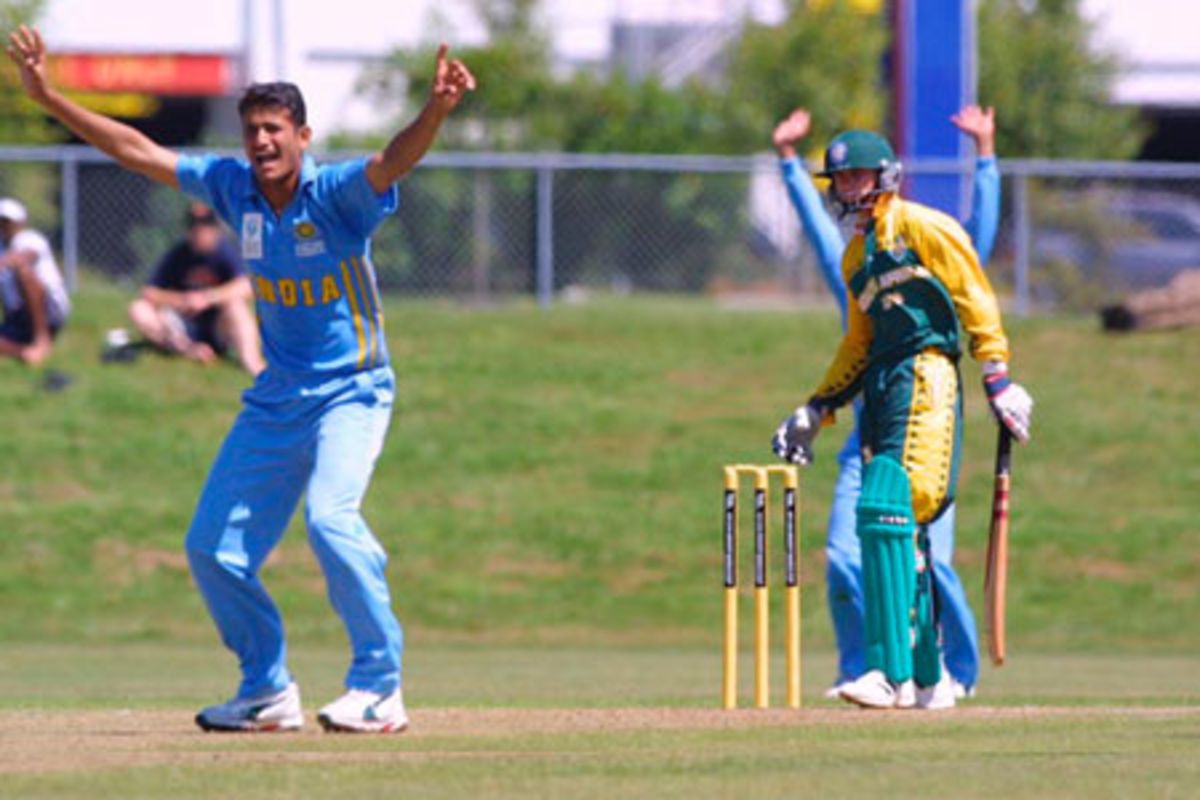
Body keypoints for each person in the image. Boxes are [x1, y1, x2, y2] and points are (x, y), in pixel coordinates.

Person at [9, 25, 476, 733]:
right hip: (277, 398)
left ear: (303, 135)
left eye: (274, 129)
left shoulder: (338, 194)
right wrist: (49, 97)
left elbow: (391, 160)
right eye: (252, 128)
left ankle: (379, 686)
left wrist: (436, 112)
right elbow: (136, 150)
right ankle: (266, 690)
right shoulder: (234, 189)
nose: (261, 141)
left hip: (353, 388)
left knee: (331, 521)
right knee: (212, 548)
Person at [771, 128, 1032, 710]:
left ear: (884, 175)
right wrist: (816, 407)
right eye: (840, 179)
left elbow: (974, 294)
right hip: (883, 386)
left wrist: (998, 376)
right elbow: (858, 347)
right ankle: (926, 675)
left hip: (927, 375)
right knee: (889, 527)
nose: (848, 188)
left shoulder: (923, 226)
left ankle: (891, 675)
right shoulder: (856, 257)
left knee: (891, 510)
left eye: (858, 176)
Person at [129, 202, 264, 374]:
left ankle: (252, 363)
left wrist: (208, 298)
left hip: (217, 325)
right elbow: (149, 292)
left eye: (205, 227)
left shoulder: (225, 253)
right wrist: (182, 300)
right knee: (139, 309)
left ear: (215, 229)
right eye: (194, 226)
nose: (199, 232)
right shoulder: (179, 254)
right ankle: (188, 351)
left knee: (236, 306)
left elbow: (248, 286)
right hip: (182, 327)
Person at [0, 196, 70, 365]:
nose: (4, 226)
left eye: (7, 221)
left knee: (23, 271)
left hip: (48, 309)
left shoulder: (30, 238)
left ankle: (42, 339)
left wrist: (6, 262)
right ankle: (25, 354)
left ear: (20, 222)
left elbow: (27, 257)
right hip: (17, 315)